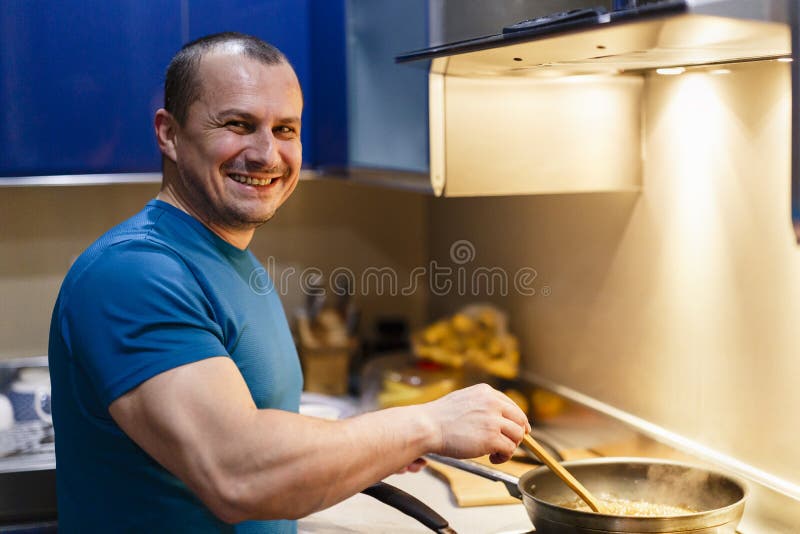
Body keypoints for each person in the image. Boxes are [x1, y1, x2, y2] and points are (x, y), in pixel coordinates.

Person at [48, 32, 530, 533]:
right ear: (168, 133)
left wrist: (375, 445)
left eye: (285, 129)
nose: (266, 154)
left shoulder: (234, 260)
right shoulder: (133, 274)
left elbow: (257, 427)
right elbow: (238, 473)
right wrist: (426, 425)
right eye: (238, 124)